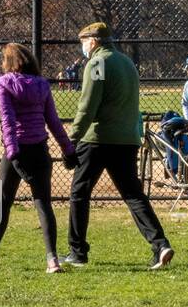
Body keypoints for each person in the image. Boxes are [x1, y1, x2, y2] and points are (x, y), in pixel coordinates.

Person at [65, 22, 174, 270]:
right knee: (133, 195)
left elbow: (88, 105)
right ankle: (160, 244)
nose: (82, 47)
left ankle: (77, 251)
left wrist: (72, 139)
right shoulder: (126, 63)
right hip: (126, 140)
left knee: (79, 193)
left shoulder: (97, 63)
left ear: (93, 41)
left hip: (98, 139)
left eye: (83, 42)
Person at [0, 44, 76, 273]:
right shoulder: (42, 85)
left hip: (16, 150)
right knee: (43, 203)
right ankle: (52, 260)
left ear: (9, 62)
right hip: (40, 150)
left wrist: (13, 154)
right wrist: (68, 149)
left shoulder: (4, 84)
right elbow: (53, 121)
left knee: (2, 203)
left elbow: (8, 122)